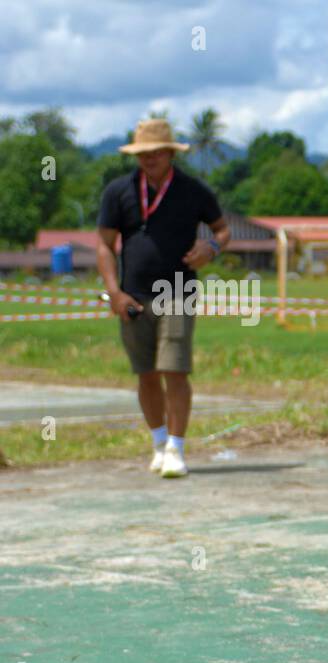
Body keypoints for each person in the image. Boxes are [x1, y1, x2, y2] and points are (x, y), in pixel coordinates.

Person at [96, 118, 229, 479]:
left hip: (178, 292)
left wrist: (211, 246)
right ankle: (157, 442)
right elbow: (105, 246)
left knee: (175, 368)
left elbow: (222, 229)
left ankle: (177, 447)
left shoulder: (193, 191)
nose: (149, 159)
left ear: (170, 153)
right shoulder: (118, 192)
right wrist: (114, 292)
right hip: (133, 297)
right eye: (143, 153)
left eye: (156, 152)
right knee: (147, 373)